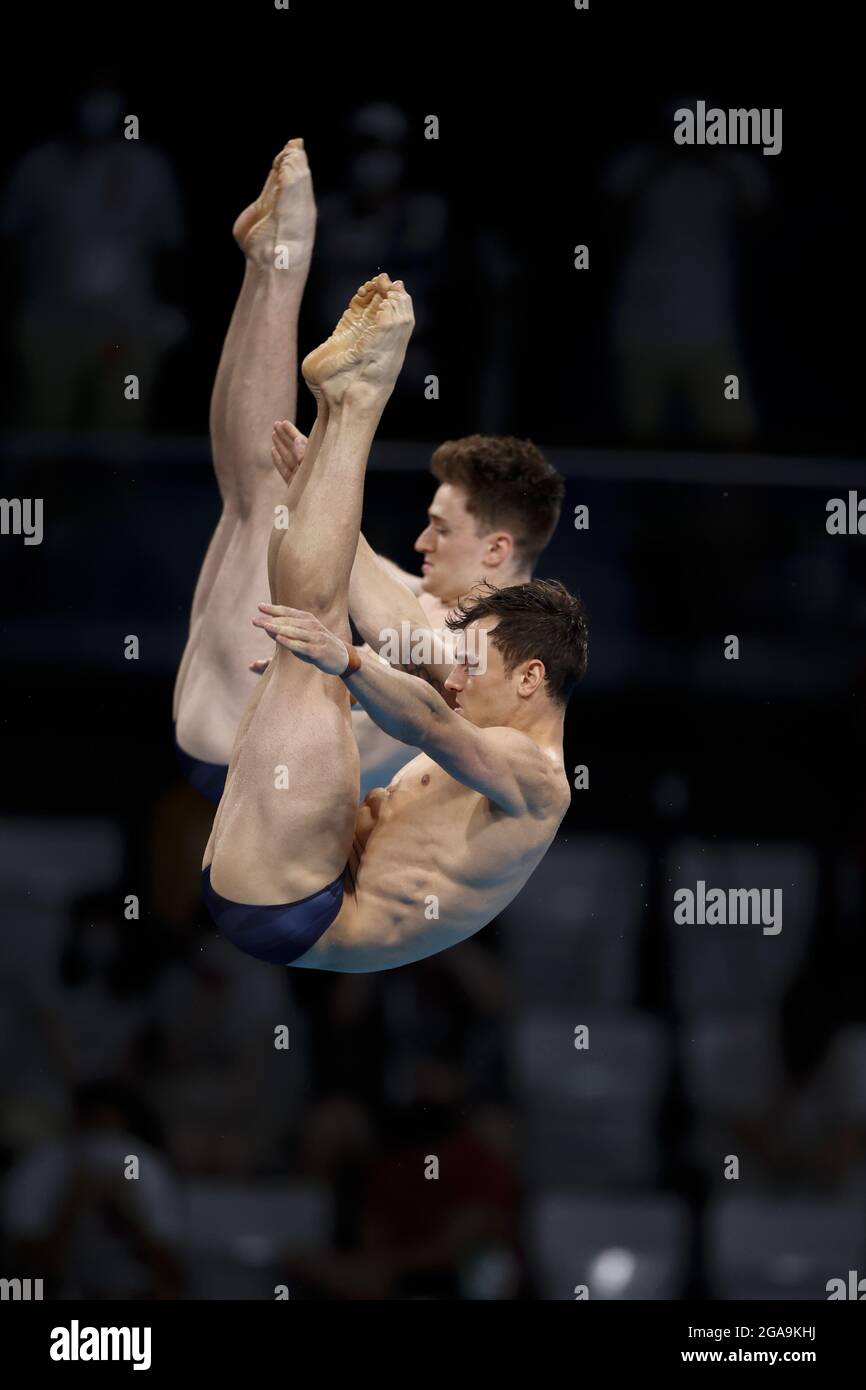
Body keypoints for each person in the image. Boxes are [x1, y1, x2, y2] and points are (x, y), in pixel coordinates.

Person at [201, 275, 588, 973]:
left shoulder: (539, 779)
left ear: (531, 676)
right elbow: (402, 640)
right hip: (287, 869)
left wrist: (346, 662)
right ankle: (342, 402)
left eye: (475, 664)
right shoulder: (487, 716)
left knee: (309, 611)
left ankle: (353, 399)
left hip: (301, 906)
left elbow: (430, 720)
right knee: (284, 565)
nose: (459, 679)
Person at [173, 138, 566, 802]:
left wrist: (322, 481)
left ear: (499, 548)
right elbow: (382, 599)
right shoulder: (447, 602)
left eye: (442, 529)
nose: (423, 540)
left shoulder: (509, 649)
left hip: (267, 776)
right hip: (245, 751)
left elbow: (416, 649)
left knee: (268, 497)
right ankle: (269, 266)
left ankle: (281, 265)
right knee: (256, 499)